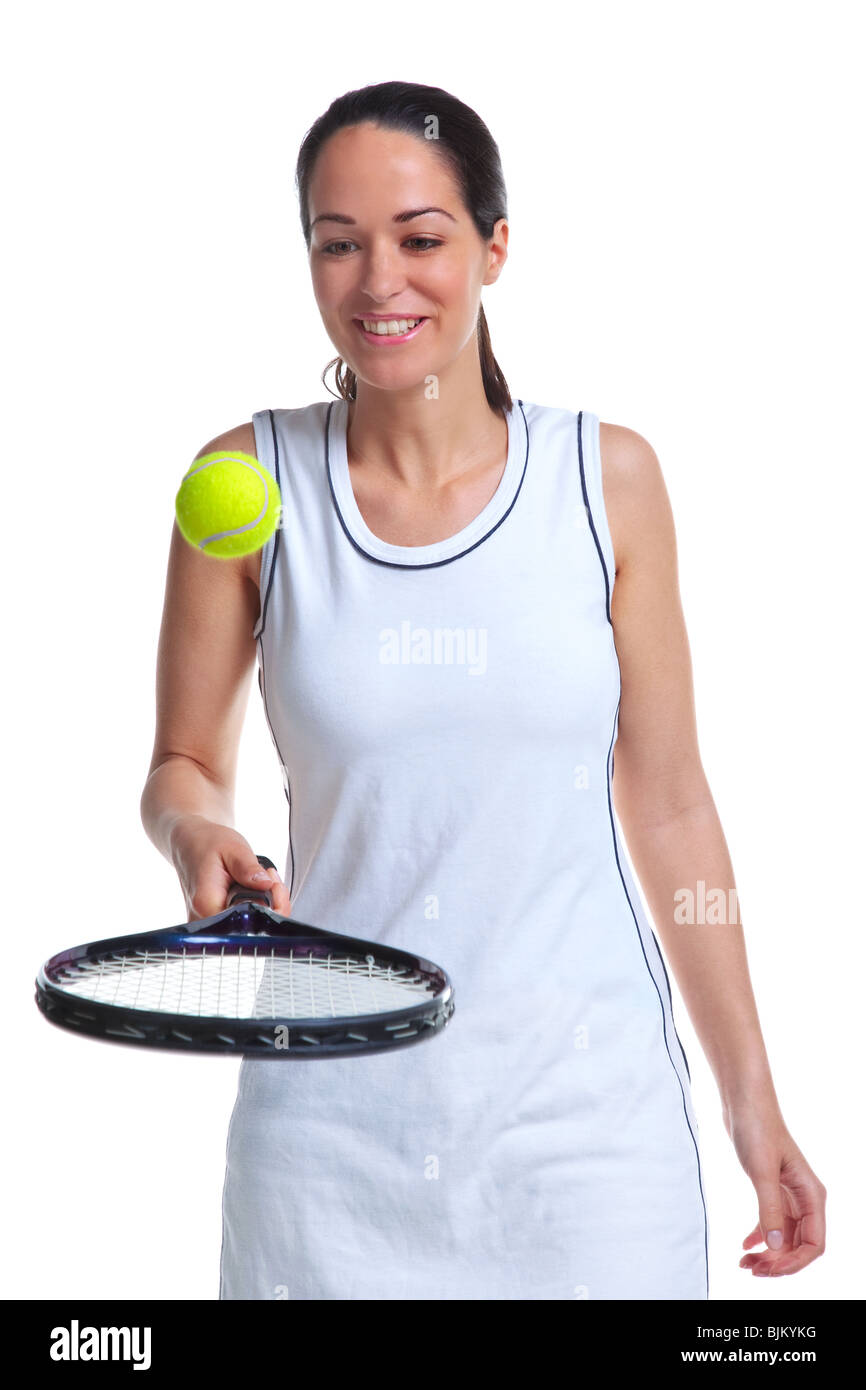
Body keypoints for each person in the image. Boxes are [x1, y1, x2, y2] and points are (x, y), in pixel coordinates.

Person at [140, 80, 826, 1300]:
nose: (377, 281)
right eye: (336, 243)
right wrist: (196, 828)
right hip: (325, 1144)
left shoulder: (604, 480)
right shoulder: (246, 483)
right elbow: (183, 763)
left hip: (584, 1141)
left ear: (493, 247)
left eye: (420, 238)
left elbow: (668, 808)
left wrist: (751, 1104)